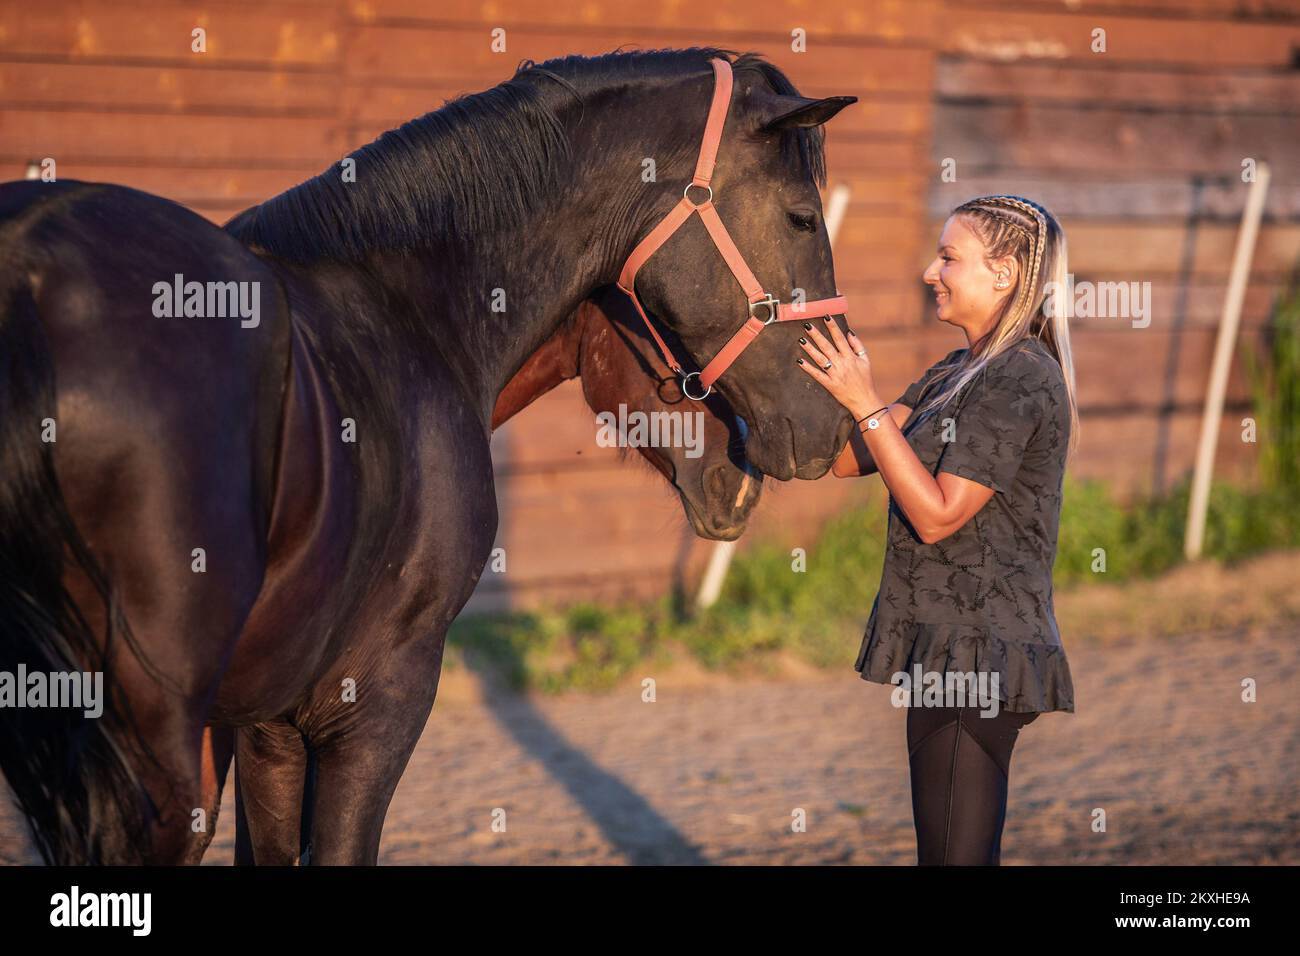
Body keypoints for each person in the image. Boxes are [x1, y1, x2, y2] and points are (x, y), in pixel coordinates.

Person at [797, 195, 1079, 865]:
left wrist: (865, 401)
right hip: (943, 643)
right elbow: (847, 458)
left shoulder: (1021, 377)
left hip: (980, 647)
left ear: (1004, 274)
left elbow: (937, 513)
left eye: (949, 257)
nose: (931, 271)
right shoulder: (955, 372)